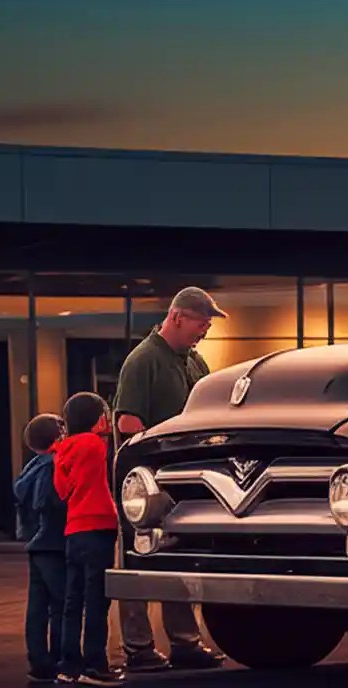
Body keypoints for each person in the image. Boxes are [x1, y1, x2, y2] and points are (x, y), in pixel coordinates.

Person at [111, 286, 226, 672]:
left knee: (181, 560)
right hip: (148, 483)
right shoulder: (143, 361)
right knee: (139, 561)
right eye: (200, 322)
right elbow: (128, 424)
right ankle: (139, 648)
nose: (205, 330)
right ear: (176, 317)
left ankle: (185, 643)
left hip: (188, 481)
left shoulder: (196, 362)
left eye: (207, 325)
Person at [54, 392, 126, 686]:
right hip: (98, 525)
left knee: (73, 600)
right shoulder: (95, 444)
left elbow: (62, 491)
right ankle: (95, 664)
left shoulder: (62, 450)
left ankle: (68, 665)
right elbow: (105, 455)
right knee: (97, 599)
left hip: (74, 529)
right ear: (97, 420)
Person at [15, 413, 69, 685]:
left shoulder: (31, 467)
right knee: (60, 602)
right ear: (57, 436)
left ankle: (37, 660)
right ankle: (58, 658)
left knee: (37, 605)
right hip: (52, 543)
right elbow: (48, 503)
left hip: (35, 544)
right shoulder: (51, 466)